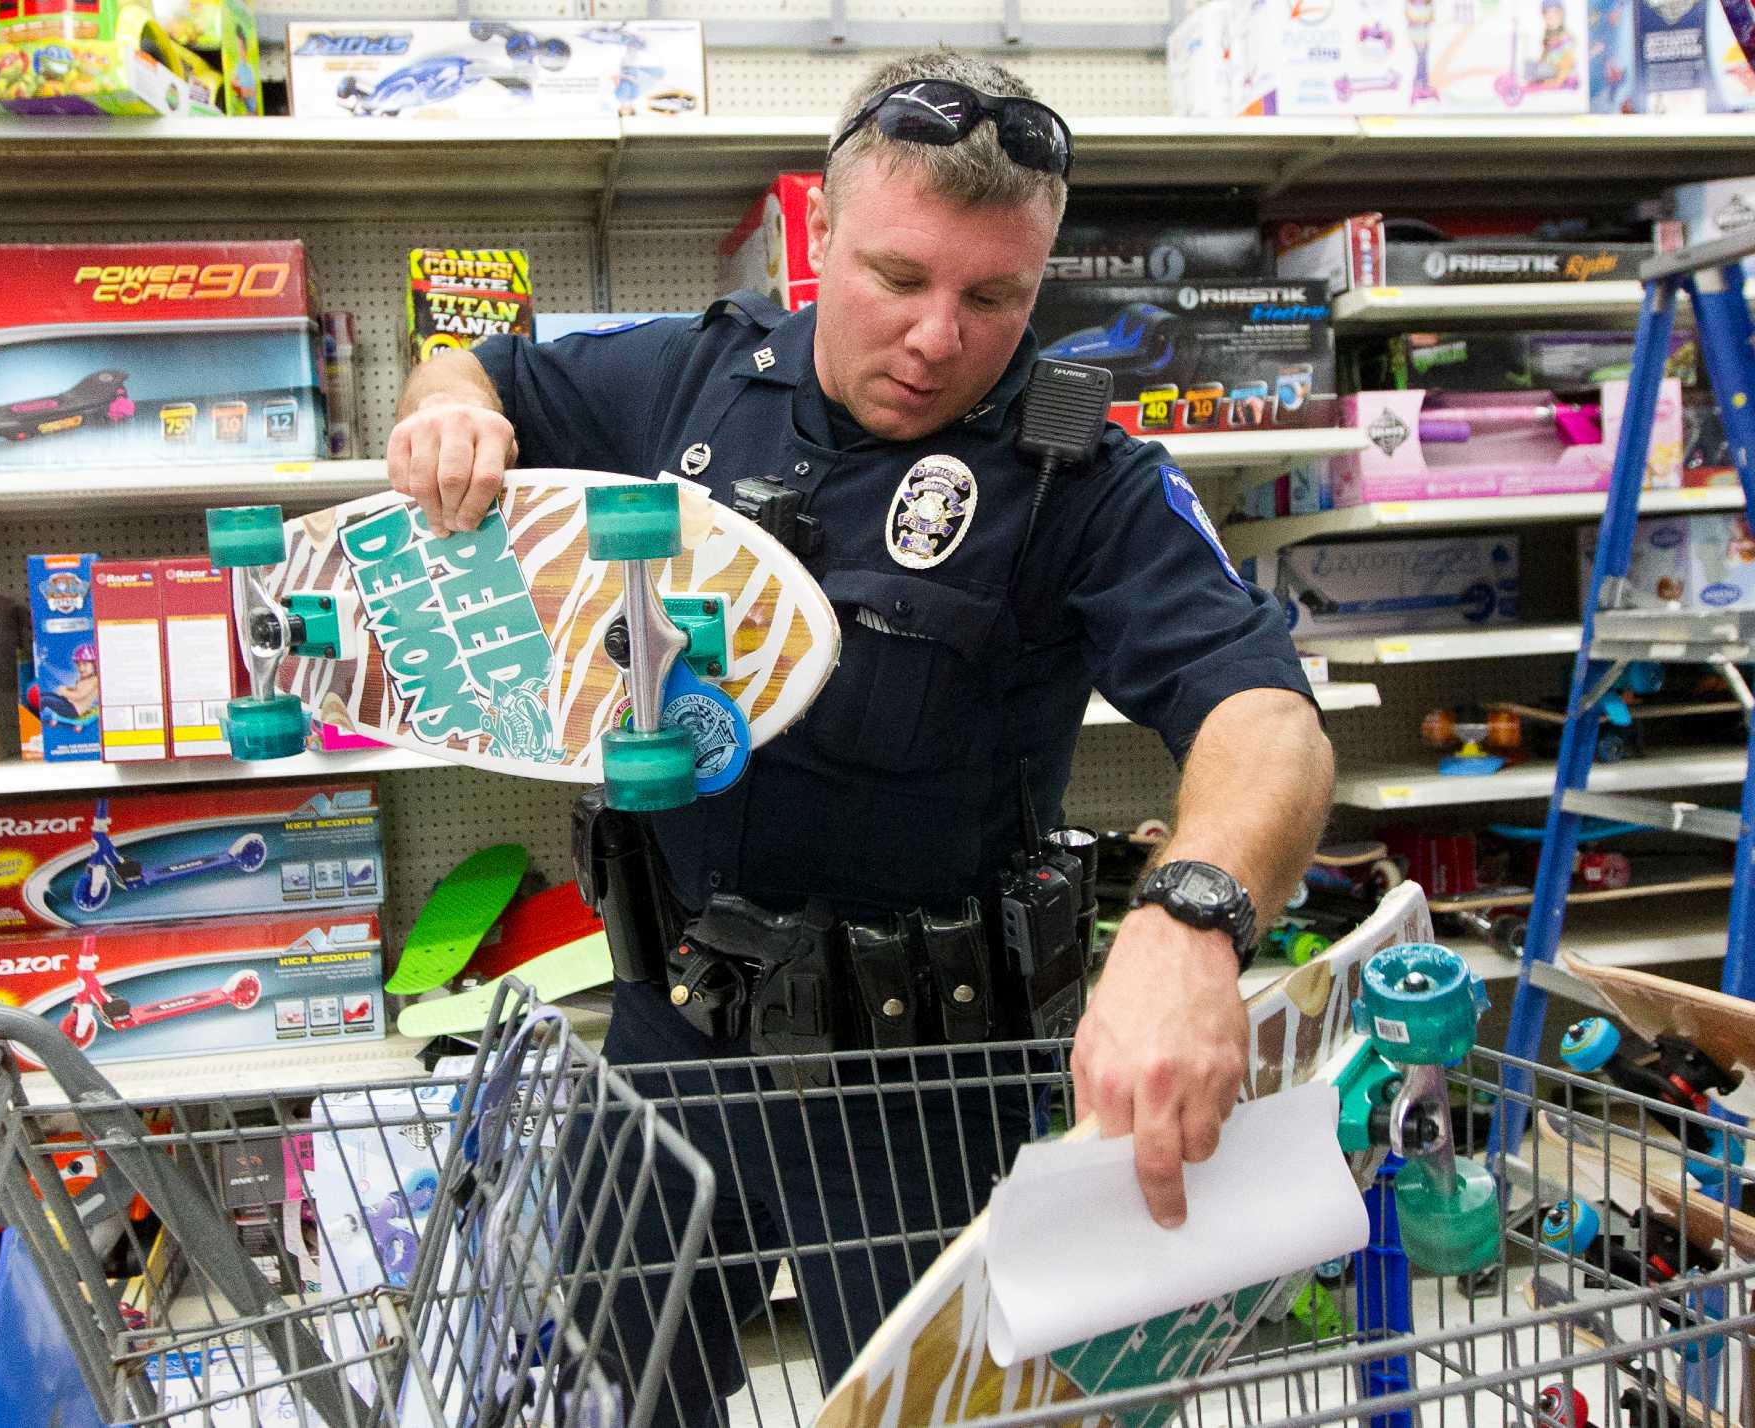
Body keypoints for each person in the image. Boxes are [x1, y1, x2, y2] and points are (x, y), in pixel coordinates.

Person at [387, 47, 1335, 1421]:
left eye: (993, 297)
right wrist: (451, 412)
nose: (940, 337)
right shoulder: (692, 381)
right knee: (598, 1400)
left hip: (919, 1094)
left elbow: (1269, 716)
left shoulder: (1087, 479)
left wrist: (1195, 920)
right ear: (817, 234)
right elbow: (469, 364)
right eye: (899, 278)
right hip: (661, 1042)